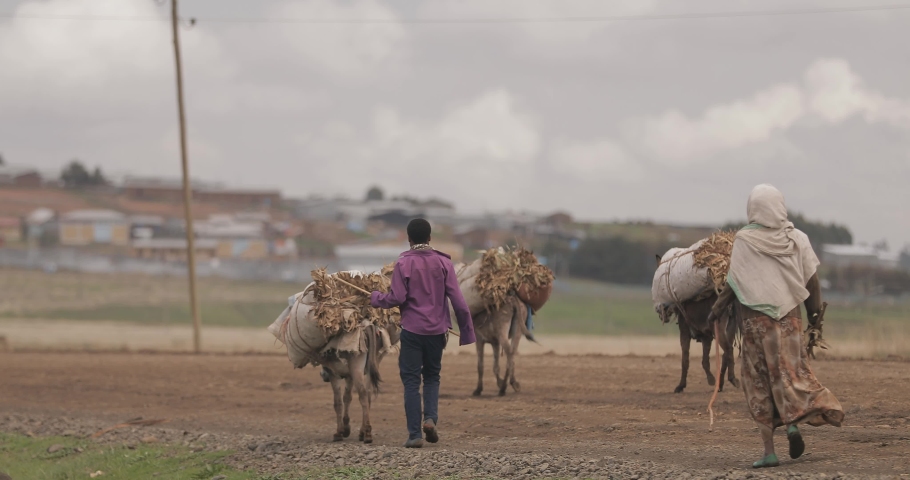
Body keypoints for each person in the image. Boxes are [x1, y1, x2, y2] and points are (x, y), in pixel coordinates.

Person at [708, 184, 844, 468]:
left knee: (758, 382)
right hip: (789, 322)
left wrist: (716, 310)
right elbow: (812, 282)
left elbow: (734, 283)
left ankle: (769, 451)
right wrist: (816, 322)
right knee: (788, 374)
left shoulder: (745, 239)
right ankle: (794, 425)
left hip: (754, 323)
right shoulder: (797, 238)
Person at [371, 218, 476, 448]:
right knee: (432, 377)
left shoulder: (403, 263)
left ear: (409, 239)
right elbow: (458, 300)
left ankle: (414, 435)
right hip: (437, 333)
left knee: (411, 382)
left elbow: (397, 298)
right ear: (429, 238)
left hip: (412, 331)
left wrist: (376, 298)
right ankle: (430, 419)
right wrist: (467, 331)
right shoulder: (444, 263)